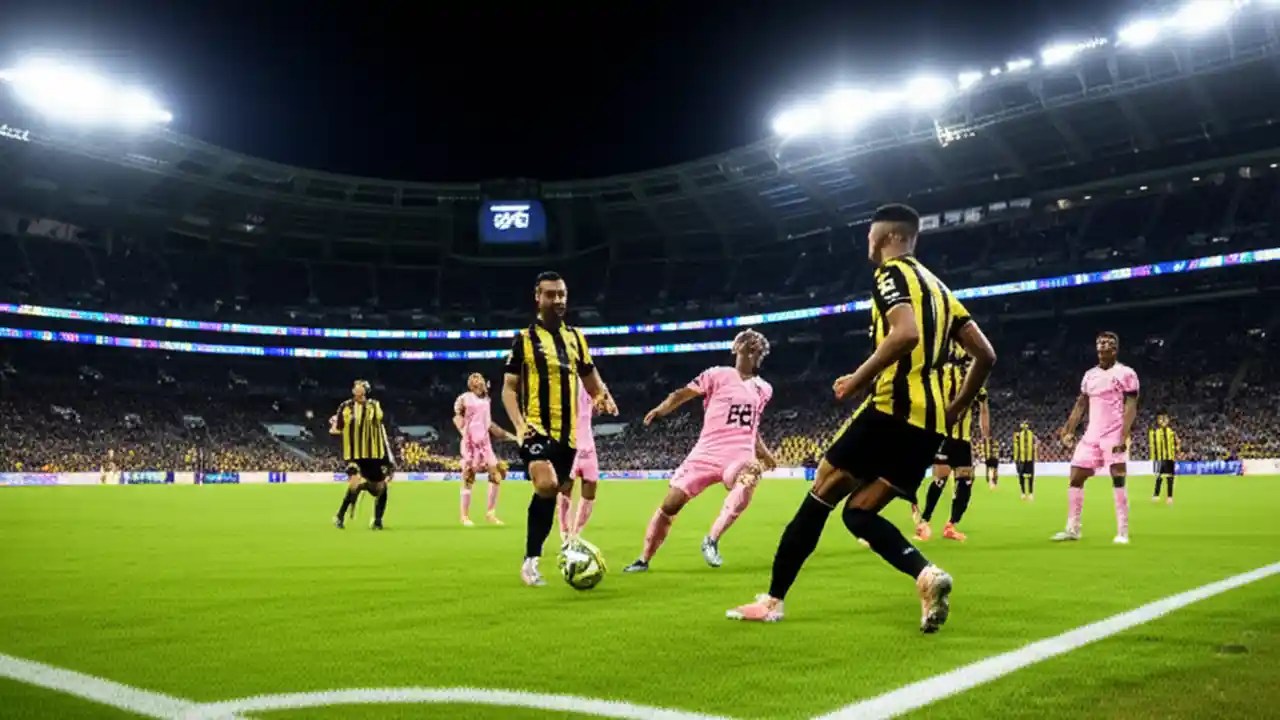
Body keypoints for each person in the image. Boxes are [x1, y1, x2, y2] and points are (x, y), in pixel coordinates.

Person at [726, 203, 995, 632]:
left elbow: (905, 333)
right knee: (859, 513)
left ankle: (773, 600)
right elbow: (985, 354)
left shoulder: (891, 274)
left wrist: (857, 378)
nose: (867, 243)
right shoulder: (942, 290)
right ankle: (927, 575)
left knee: (819, 495)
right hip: (929, 427)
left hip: (891, 411)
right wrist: (957, 407)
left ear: (889, 237)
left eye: (871, 235)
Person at [623, 329, 778, 572]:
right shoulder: (717, 375)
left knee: (750, 475)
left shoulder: (764, 389)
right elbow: (682, 394)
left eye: (759, 349)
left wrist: (764, 454)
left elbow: (752, 427)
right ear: (737, 348)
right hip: (706, 453)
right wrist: (662, 410)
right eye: (750, 346)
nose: (755, 351)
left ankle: (712, 539)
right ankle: (644, 559)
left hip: (739, 455)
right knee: (671, 504)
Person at [502, 271, 618, 587]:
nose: (557, 300)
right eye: (550, 294)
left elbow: (590, 375)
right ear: (537, 298)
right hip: (537, 429)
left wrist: (602, 397)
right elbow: (509, 389)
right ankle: (530, 562)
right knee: (546, 484)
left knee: (553, 492)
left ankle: (536, 556)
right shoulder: (524, 340)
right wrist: (519, 424)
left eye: (562, 294)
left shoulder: (576, 338)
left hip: (569, 438)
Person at [1054, 331, 1139, 544]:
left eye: (1108, 343)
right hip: (1092, 434)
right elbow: (1081, 403)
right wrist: (1068, 430)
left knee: (1118, 476)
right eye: (1100, 343)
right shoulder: (1089, 375)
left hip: (1114, 433)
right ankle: (1072, 528)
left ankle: (1122, 531)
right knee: (1076, 476)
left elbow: (1131, 405)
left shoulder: (1126, 373)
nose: (1103, 346)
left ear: (1115, 349)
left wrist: (1123, 435)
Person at [915, 346, 989, 543]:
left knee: (962, 481)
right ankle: (925, 522)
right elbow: (983, 408)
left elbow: (982, 407)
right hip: (945, 438)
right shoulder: (944, 376)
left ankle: (948, 525)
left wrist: (984, 432)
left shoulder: (972, 380)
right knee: (943, 479)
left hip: (961, 441)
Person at [454, 372, 519, 527]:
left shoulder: (486, 400)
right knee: (469, 477)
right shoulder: (464, 399)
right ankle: (464, 516)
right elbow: (457, 418)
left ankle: (490, 513)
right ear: (472, 385)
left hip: (485, 443)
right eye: (477, 381)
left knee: (496, 475)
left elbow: (489, 424)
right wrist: (465, 434)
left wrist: (512, 436)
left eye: (482, 380)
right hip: (471, 444)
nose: (481, 383)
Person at [331, 379, 395, 530]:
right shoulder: (345, 407)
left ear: (366, 390)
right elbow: (338, 428)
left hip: (373, 455)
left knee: (380, 488)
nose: (358, 391)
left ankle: (377, 520)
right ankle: (340, 516)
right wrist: (335, 426)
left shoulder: (373, 405)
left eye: (361, 388)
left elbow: (378, 418)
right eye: (356, 388)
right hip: (354, 454)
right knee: (355, 482)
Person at [558, 381, 601, 539]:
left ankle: (576, 534)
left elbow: (595, 409)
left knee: (590, 489)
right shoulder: (561, 379)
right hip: (569, 444)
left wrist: (601, 404)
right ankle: (564, 533)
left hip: (588, 445)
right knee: (565, 490)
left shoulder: (591, 381)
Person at [1149, 412, 1180, 505]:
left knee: (1170, 478)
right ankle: (1156, 494)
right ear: (1158, 421)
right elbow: (1152, 446)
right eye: (1161, 419)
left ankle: (1169, 497)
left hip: (1170, 458)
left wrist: (1177, 452)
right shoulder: (1154, 432)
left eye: (1165, 419)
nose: (1163, 421)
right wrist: (1153, 458)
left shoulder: (1171, 432)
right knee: (1159, 477)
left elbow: (1177, 443)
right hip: (1159, 458)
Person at [1013, 420, 1037, 500]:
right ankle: (1023, 493)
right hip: (1022, 459)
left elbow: (1034, 447)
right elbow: (1016, 447)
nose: (1025, 427)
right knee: (1021, 476)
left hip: (1030, 458)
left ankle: (1030, 493)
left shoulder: (1032, 435)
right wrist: (1016, 459)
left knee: (1030, 476)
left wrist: (1035, 457)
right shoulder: (1019, 435)